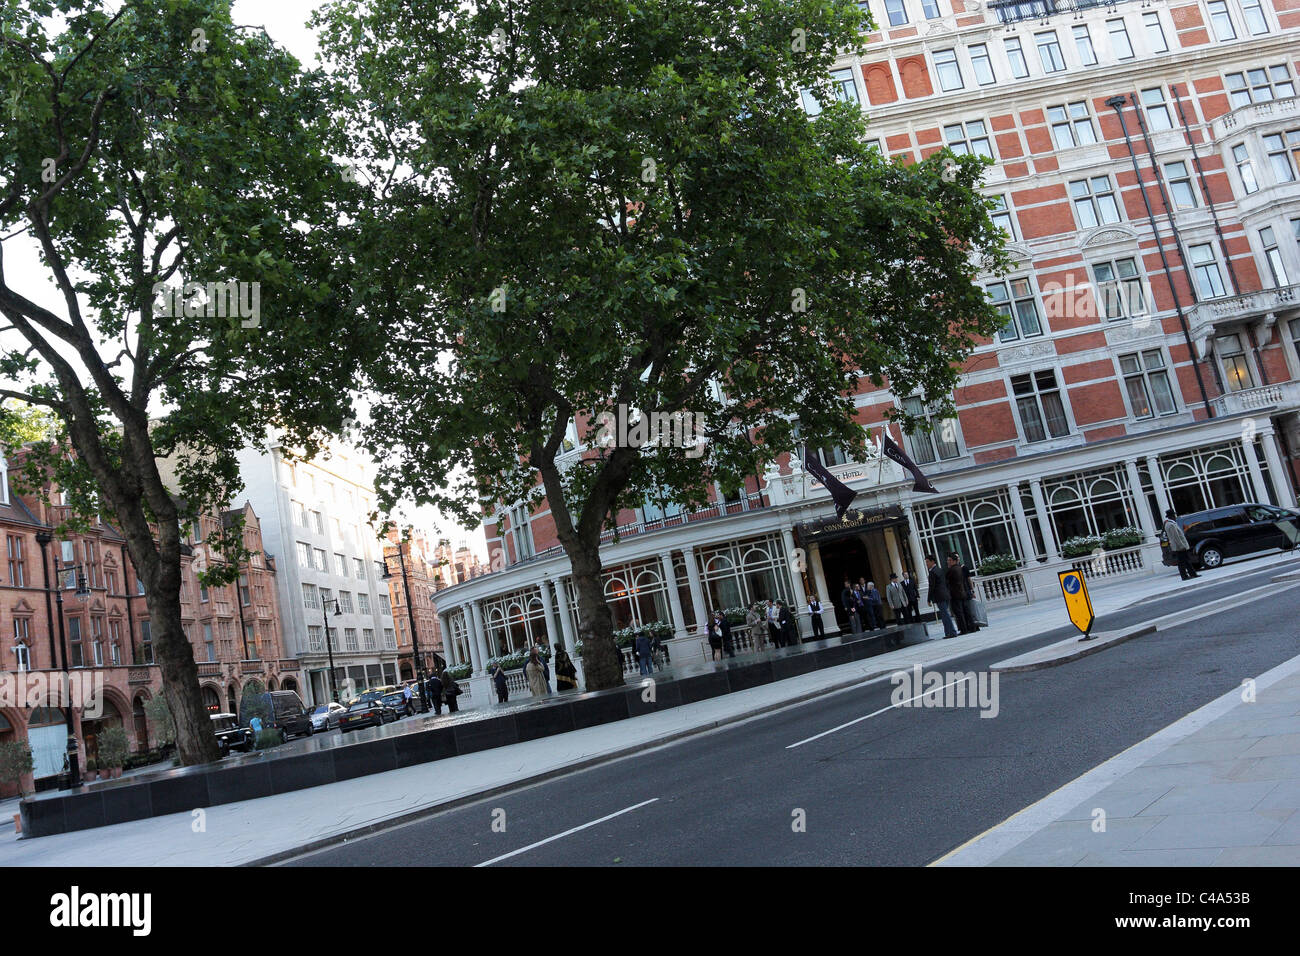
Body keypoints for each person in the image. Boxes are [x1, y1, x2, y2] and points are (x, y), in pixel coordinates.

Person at [925, 553, 958, 638]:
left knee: (945, 615)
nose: (926, 564)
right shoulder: (940, 570)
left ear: (932, 562)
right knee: (944, 615)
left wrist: (929, 599)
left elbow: (931, 586)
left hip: (939, 596)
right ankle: (948, 633)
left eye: (928, 562)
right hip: (945, 595)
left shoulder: (932, 572)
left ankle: (952, 632)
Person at [1164, 509, 1199, 580]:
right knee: (1182, 562)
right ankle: (1184, 576)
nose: (1175, 517)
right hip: (1179, 547)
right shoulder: (1171, 525)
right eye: (1174, 515)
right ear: (1171, 516)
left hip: (1178, 546)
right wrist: (1182, 546)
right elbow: (1176, 537)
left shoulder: (1170, 524)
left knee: (1186, 561)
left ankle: (1192, 574)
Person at [946, 553, 973, 634]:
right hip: (962, 593)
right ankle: (971, 627)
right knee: (965, 611)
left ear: (954, 561)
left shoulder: (952, 570)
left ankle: (964, 629)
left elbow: (947, 581)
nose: (948, 562)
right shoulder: (959, 568)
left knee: (959, 612)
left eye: (949, 560)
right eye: (948, 560)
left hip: (955, 594)